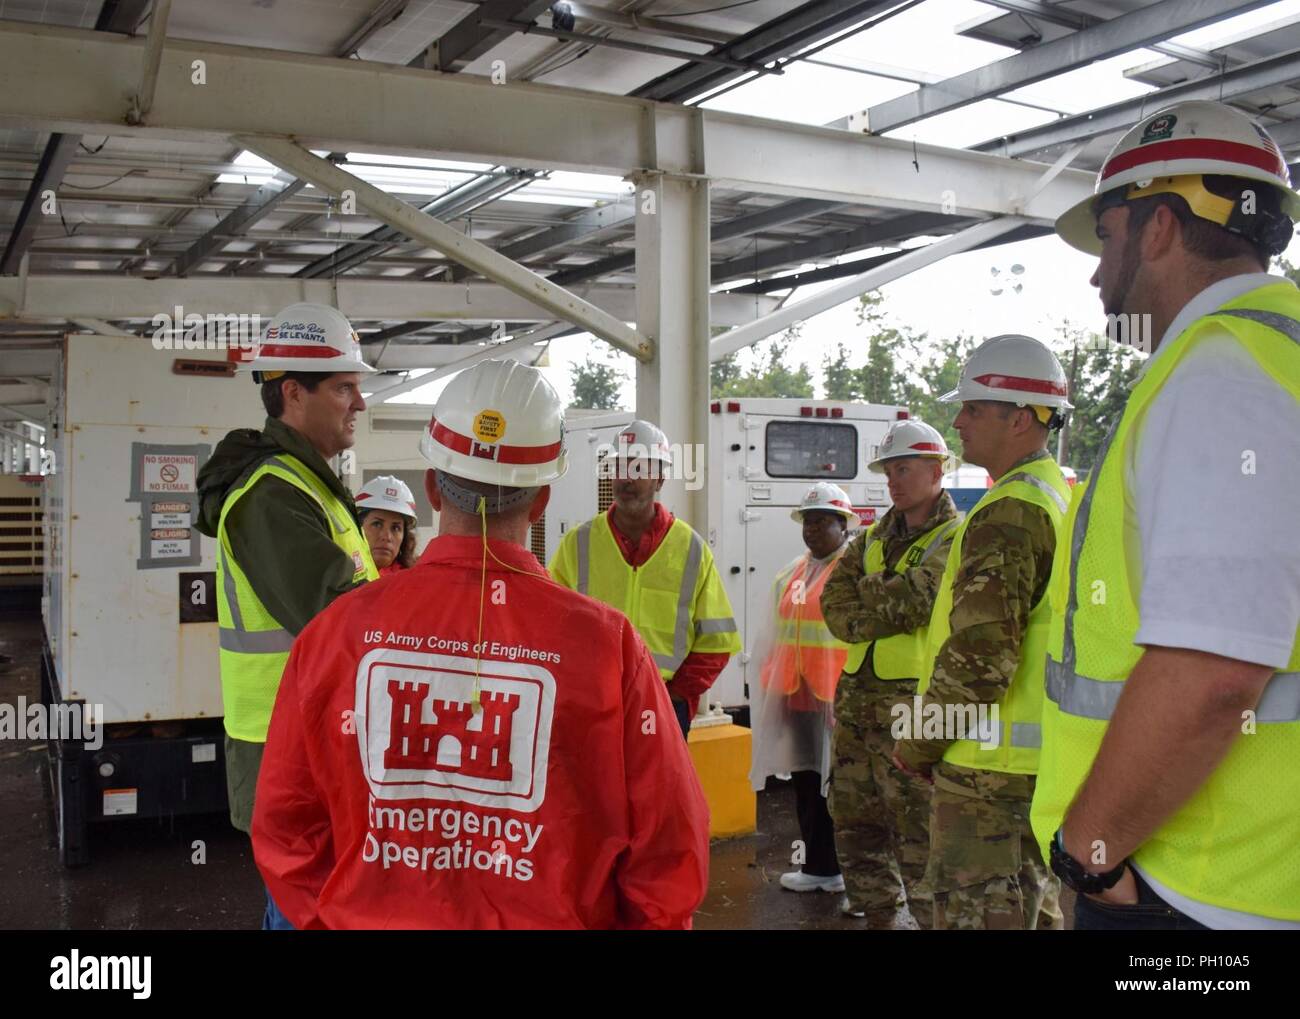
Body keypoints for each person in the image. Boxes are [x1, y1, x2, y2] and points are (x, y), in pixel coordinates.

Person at [251, 360, 710, 929]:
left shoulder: (335, 633)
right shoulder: (610, 648)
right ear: (540, 502)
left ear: (431, 490)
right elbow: (668, 852)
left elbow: (286, 828)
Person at [1035, 100, 1300, 930]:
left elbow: (1215, 672)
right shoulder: (1279, 356)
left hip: (1199, 889)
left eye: (1106, 237)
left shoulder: (1220, 375)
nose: (1095, 272)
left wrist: (1090, 851)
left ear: (1157, 227)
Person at [194, 302, 379, 930]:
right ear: (293, 393)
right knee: (304, 907)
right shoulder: (273, 495)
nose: (359, 403)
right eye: (345, 387)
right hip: (287, 748)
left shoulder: (307, 484)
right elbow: (343, 620)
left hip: (311, 736)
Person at [891, 336, 1072, 931]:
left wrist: (919, 742)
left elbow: (979, 657)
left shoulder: (1010, 512)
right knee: (1028, 909)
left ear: (1019, 418)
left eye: (972, 408)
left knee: (982, 914)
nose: (958, 421)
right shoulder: (1048, 494)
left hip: (986, 773)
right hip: (1028, 764)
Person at [820, 419, 959, 927]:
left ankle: (926, 920)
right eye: (889, 471)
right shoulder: (874, 537)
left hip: (914, 710)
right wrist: (883, 595)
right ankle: (877, 915)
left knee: (918, 832)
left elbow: (921, 600)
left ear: (936, 470)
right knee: (855, 825)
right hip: (857, 708)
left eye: (904, 468)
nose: (894, 481)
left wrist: (871, 593)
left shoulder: (956, 535)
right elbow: (833, 602)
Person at [549, 419, 740, 739]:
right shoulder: (578, 543)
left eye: (639, 468)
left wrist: (676, 694)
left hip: (664, 702)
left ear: (660, 478)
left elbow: (718, 641)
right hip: (592, 701)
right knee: (595, 789)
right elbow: (550, 625)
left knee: (658, 790)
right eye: (621, 467)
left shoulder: (691, 549)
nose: (627, 478)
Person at [749, 482, 858, 896]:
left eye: (822, 521)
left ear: (843, 525)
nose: (812, 530)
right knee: (807, 784)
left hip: (835, 700)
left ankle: (849, 871)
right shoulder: (792, 572)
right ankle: (818, 866)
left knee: (843, 790)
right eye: (808, 522)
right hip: (798, 697)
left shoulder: (852, 570)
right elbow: (774, 636)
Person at [356, 474, 420, 575]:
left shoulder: (415, 581)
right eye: (377, 524)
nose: (387, 537)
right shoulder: (335, 574)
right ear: (357, 527)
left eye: (395, 528)